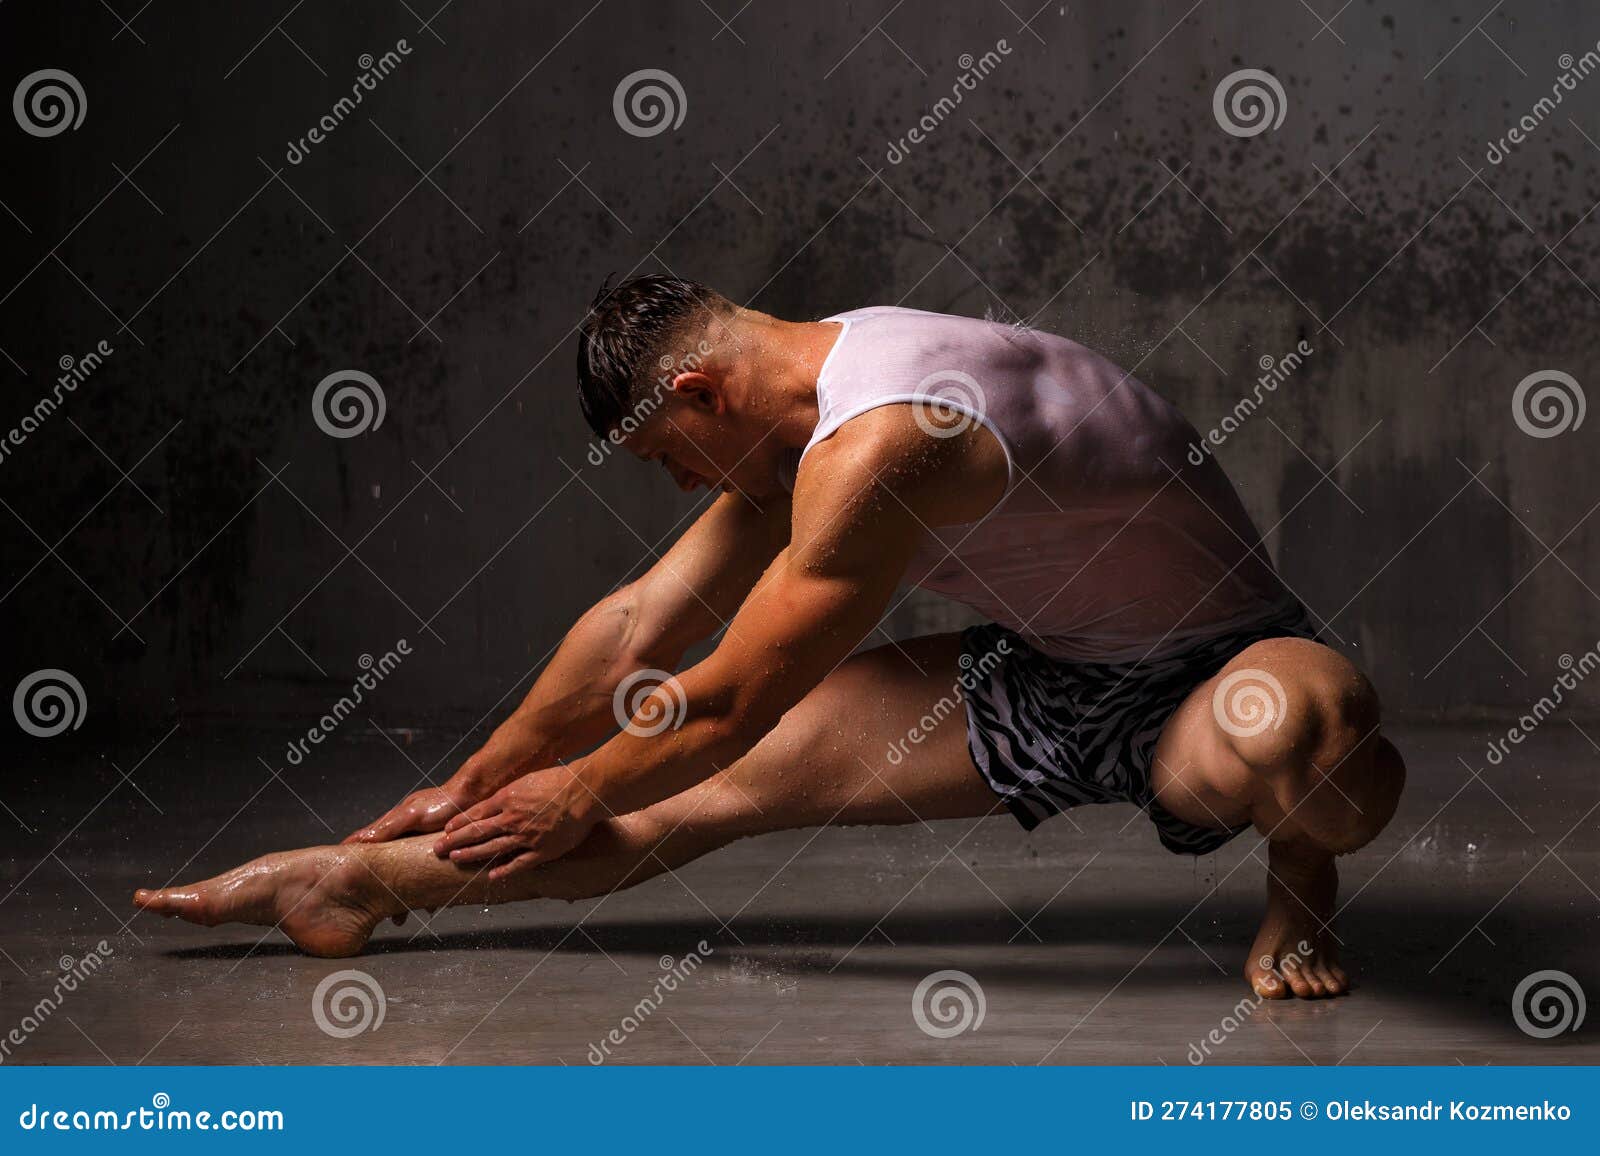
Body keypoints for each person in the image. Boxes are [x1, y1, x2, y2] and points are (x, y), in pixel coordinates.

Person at [134, 275, 1404, 1000]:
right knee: (680, 802)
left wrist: (575, 785)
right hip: (1045, 673)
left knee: (1304, 738)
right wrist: (484, 776)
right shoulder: (814, 393)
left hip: (1222, 664)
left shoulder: (886, 434)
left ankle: (1301, 887)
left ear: (697, 390)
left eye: (667, 457)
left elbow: (731, 699)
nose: (683, 484)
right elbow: (643, 623)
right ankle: (346, 888)